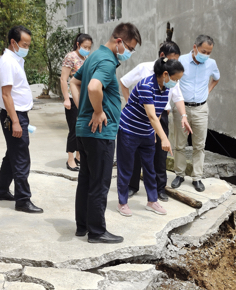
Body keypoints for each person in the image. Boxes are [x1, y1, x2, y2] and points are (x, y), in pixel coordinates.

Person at [70, 22, 141, 244]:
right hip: (99, 132)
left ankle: (82, 226)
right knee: (99, 182)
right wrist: (98, 111)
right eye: (130, 47)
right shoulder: (108, 61)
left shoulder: (93, 55)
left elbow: (74, 81)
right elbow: (92, 87)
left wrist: (83, 108)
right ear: (119, 41)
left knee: (86, 179)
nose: (129, 52)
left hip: (84, 130)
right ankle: (97, 231)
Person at [119, 41, 192, 202]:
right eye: (173, 60)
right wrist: (131, 103)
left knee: (159, 154)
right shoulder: (145, 71)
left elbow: (176, 98)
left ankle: (159, 189)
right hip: (139, 119)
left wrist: (184, 116)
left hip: (160, 116)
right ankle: (131, 187)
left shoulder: (171, 78)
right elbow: (124, 82)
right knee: (135, 154)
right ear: (162, 57)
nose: (175, 63)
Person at [0, 25, 43, 214]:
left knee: (13, 153)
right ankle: (23, 199)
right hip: (14, 115)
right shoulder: (7, 62)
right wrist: (15, 121)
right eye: (24, 44)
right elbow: (6, 95)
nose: (27, 48)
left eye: (29, 44)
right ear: (13, 42)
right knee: (21, 157)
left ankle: (1, 190)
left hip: (19, 114)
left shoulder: (15, 60)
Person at [171, 35, 220, 192]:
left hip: (200, 109)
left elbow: (216, 78)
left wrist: (207, 92)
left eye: (209, 52)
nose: (206, 55)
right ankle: (179, 174)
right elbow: (173, 81)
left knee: (199, 145)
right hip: (182, 108)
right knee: (180, 144)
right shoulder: (182, 61)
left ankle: (197, 177)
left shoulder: (211, 64)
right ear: (195, 47)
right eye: (203, 51)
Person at [60, 33, 93, 171]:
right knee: (73, 128)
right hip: (72, 99)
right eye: (85, 46)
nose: (87, 49)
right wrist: (66, 98)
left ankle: (79, 156)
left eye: (89, 47)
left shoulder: (84, 57)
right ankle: (70, 158)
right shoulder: (70, 57)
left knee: (81, 128)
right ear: (78, 44)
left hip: (83, 98)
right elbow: (63, 79)